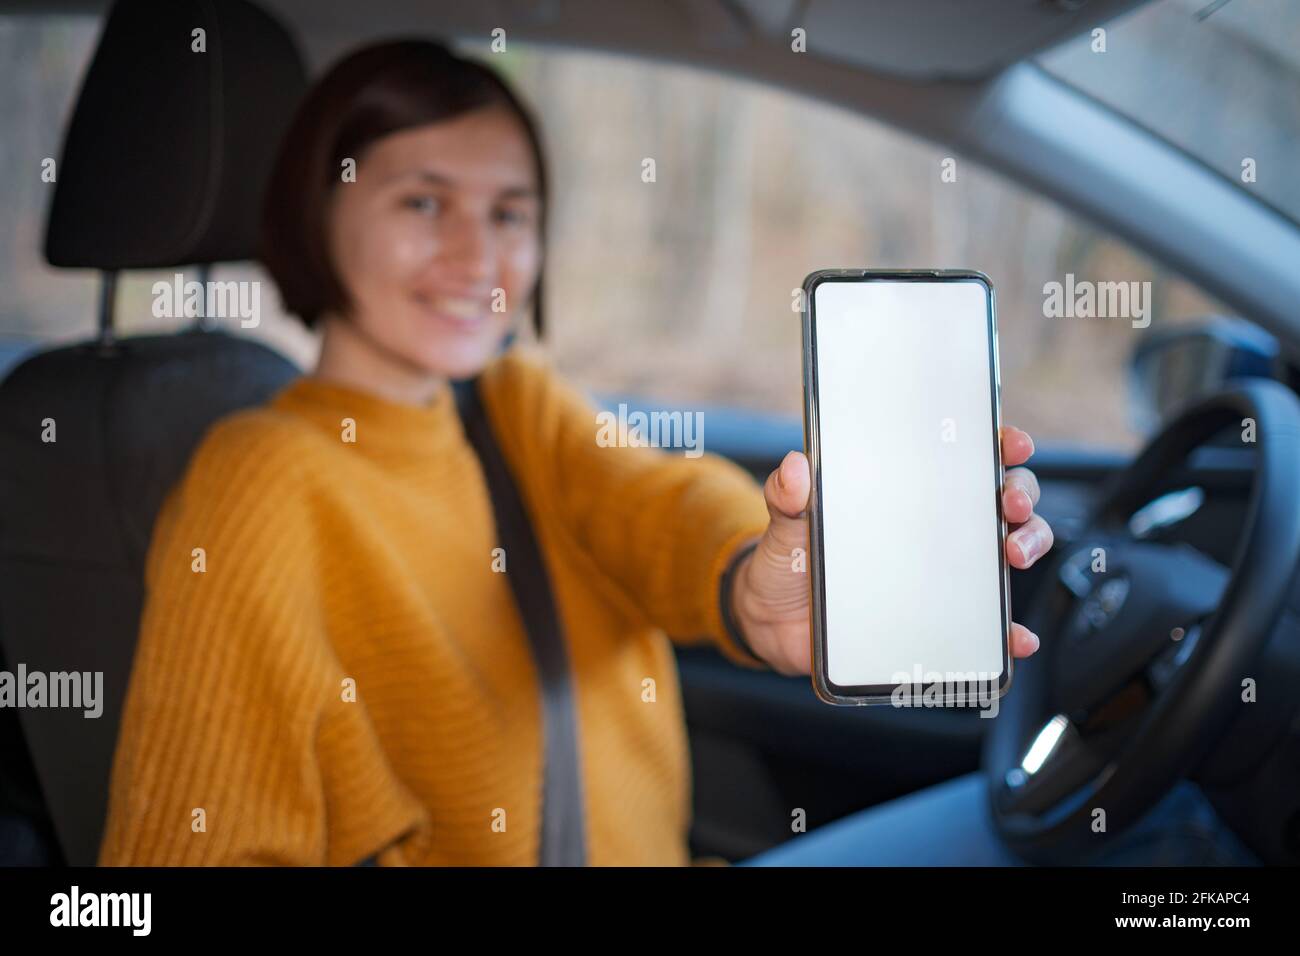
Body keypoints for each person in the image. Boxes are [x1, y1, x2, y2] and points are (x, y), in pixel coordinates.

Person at [97, 39, 1230, 867]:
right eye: (421, 200)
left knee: (1160, 828)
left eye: (510, 211)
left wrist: (760, 581)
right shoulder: (258, 480)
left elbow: (650, 503)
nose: (474, 252)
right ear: (316, 210)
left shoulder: (506, 402)